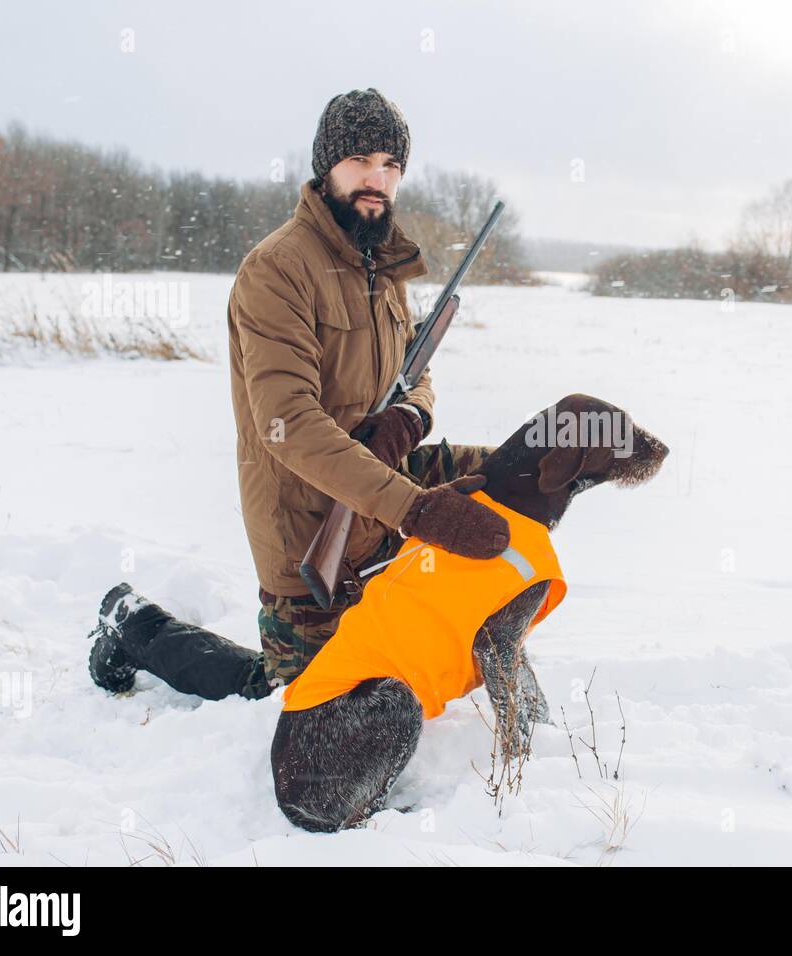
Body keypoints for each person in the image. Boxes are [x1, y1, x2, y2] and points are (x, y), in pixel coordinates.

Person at [88, 88, 509, 702]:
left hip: (377, 507)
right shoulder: (278, 269)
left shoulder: (384, 266)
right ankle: (135, 627)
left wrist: (410, 416)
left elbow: (414, 368)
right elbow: (287, 423)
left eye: (392, 165)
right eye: (362, 160)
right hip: (307, 526)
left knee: (510, 467)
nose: (378, 179)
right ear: (326, 165)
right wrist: (416, 511)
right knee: (293, 700)